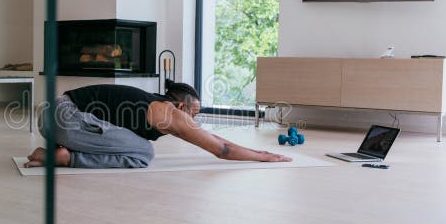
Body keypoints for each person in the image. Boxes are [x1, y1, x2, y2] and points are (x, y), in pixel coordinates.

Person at [24, 79, 292, 168]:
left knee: (136, 147)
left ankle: (63, 152)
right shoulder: (167, 113)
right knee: (143, 152)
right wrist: (262, 157)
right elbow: (220, 149)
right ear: (180, 107)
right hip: (64, 117)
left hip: (51, 115)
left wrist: (256, 151)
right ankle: (66, 158)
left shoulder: (157, 105)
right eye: (193, 114)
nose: (194, 121)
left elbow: (214, 140)